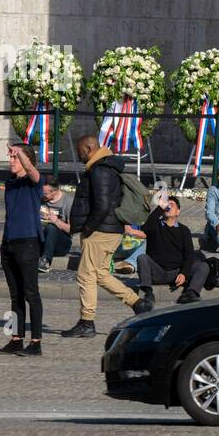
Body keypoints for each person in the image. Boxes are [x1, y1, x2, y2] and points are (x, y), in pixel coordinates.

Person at [63, 134, 143, 337]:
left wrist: (89, 228)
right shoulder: (104, 167)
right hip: (108, 229)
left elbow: (102, 204)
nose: (78, 155)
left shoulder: (100, 170)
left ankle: (87, 321)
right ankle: (138, 303)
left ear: (89, 149)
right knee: (100, 274)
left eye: (80, 151)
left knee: (85, 275)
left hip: (101, 230)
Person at [0, 143, 45, 356]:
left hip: (28, 242)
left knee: (31, 294)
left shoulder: (34, 182)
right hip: (9, 242)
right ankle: (15, 339)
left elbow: (33, 172)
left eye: (15, 158)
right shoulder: (10, 182)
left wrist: (22, 156)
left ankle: (36, 342)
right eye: (10, 157)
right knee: (14, 295)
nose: (11, 161)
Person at [132, 196, 209, 309]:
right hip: (158, 272)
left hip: (176, 273)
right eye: (166, 205)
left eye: (171, 205)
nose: (168, 206)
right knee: (142, 258)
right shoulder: (155, 225)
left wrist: (183, 273)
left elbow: (189, 255)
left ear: (178, 211)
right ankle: (148, 293)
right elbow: (146, 228)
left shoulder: (184, 230)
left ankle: (190, 293)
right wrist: (159, 207)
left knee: (203, 266)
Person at [39, 175, 74, 273]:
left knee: (51, 227)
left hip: (61, 243)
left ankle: (46, 261)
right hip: (41, 239)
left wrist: (57, 222)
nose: (42, 194)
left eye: (45, 193)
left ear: (54, 191)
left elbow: (72, 229)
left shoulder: (68, 201)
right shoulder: (41, 199)